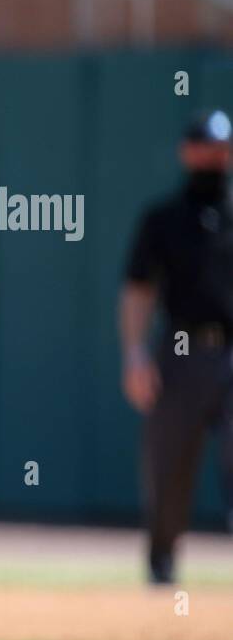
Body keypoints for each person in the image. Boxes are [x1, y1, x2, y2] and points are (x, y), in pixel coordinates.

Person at [120, 109, 233, 585]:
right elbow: (138, 289)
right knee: (169, 466)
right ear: (187, 151)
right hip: (182, 353)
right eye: (205, 146)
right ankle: (162, 565)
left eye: (221, 147)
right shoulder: (163, 219)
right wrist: (135, 353)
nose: (213, 156)